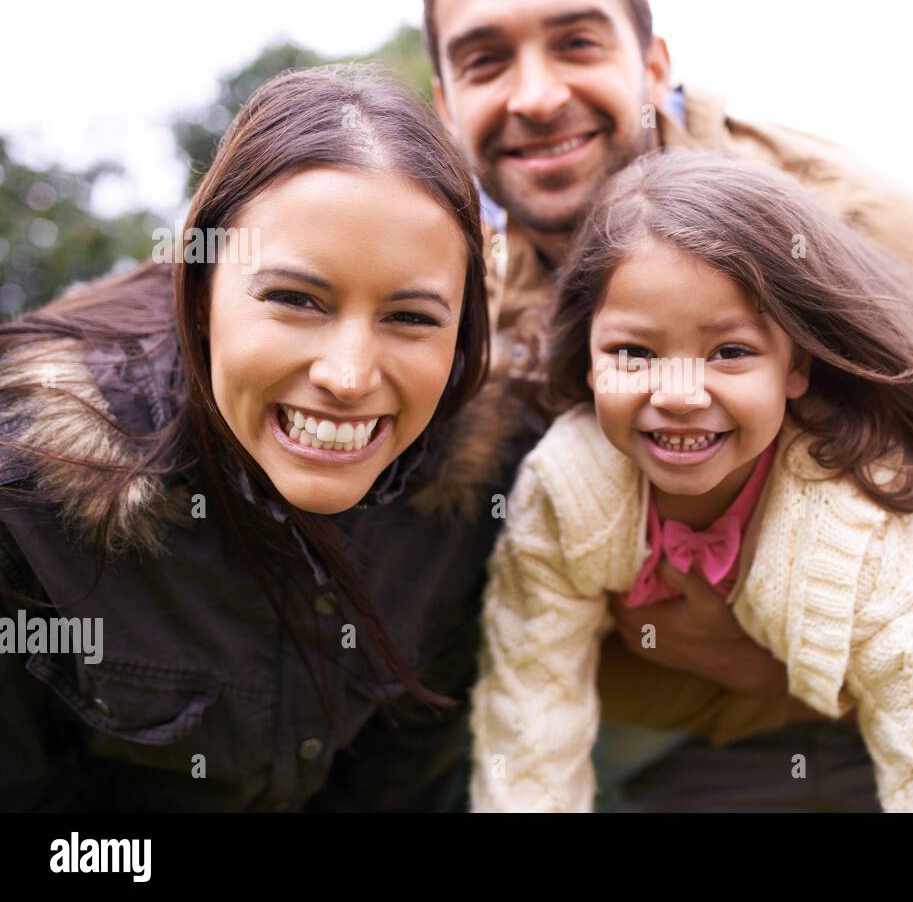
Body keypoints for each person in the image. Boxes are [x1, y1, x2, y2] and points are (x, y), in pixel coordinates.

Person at [420, 0, 913, 810]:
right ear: (445, 103)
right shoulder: (455, 309)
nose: (535, 96)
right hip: (680, 727)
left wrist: (879, 655)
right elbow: (519, 625)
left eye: (576, 43)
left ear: (653, 64)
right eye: (486, 60)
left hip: (906, 628)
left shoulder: (859, 228)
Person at [0, 65, 533, 810]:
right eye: (294, 299)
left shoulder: (472, 492)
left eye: (411, 316)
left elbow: (398, 784)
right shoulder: (28, 498)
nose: (348, 376)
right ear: (201, 289)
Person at [470, 150, 913, 811]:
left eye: (730, 351)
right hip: (697, 710)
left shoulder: (859, 515)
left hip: (912, 631)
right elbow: (530, 711)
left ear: (795, 366)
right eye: (634, 352)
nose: (681, 394)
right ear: (586, 361)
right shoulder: (566, 486)